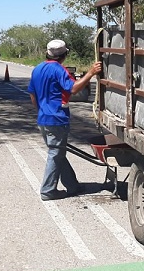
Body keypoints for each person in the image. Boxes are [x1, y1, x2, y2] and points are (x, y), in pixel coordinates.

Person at [28, 39, 102, 201]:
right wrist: (91, 73)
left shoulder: (38, 69)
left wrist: (41, 112)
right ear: (64, 55)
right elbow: (73, 88)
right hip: (57, 119)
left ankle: (72, 185)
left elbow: (32, 94)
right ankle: (48, 190)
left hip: (44, 118)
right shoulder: (59, 70)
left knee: (59, 152)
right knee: (56, 154)